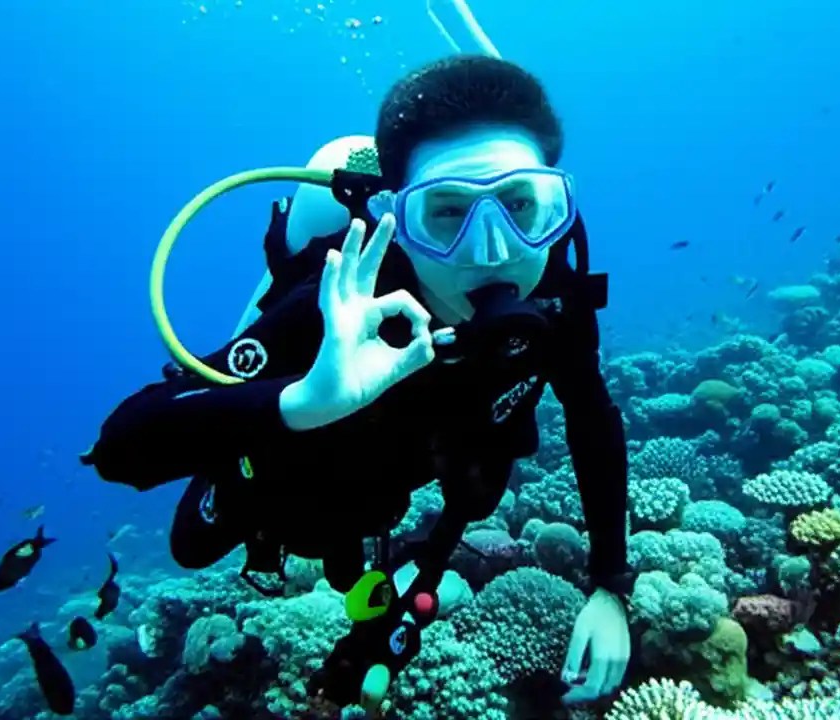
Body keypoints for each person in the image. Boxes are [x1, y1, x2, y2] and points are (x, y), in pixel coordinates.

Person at [84, 54, 631, 707]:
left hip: (394, 484)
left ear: (555, 203)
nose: (493, 251)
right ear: (400, 218)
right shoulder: (342, 302)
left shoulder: (555, 301)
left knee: (362, 534)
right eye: (446, 214)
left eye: (520, 206)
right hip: (288, 468)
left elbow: (592, 416)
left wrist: (608, 584)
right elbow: (119, 446)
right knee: (193, 546)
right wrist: (302, 401)